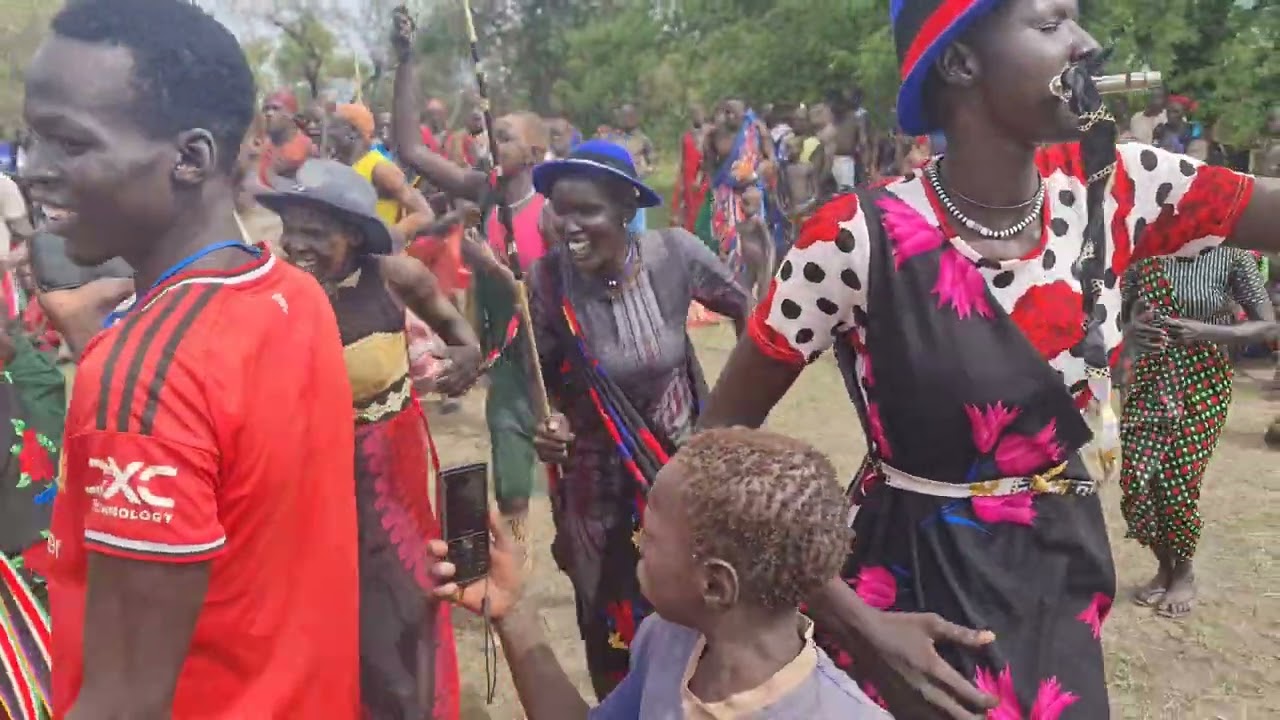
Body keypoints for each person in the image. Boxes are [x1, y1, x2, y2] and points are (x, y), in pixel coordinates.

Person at [697, 0, 1280, 717]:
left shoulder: (1117, 187)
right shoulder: (854, 240)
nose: (1087, 42)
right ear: (960, 61)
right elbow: (710, 447)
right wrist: (855, 618)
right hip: (905, 597)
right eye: (1051, 22)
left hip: (1062, 579)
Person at [22, 1, 360, 716]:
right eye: (31, 141)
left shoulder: (143, 371)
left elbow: (123, 701)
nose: (34, 172)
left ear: (191, 158)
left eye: (69, 145)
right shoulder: (292, 294)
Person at [428, 428, 890, 719]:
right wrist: (512, 612)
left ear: (714, 584)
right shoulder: (668, 642)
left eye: (648, 540)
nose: (636, 546)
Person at [520, 140, 751, 699]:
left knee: (701, 617)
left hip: (681, 482)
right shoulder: (547, 283)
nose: (568, 225)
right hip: (595, 497)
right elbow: (543, 375)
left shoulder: (674, 255)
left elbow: (749, 311)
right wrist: (552, 425)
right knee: (611, 634)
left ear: (626, 210)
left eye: (587, 211)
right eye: (560, 209)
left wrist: (735, 416)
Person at [260, 158, 482, 720]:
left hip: (385, 473)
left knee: (396, 603)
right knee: (322, 607)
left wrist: (464, 358)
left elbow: (460, 335)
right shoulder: (273, 290)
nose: (298, 244)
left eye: (316, 232)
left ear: (354, 234)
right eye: (293, 229)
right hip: (308, 472)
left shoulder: (394, 277)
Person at [392, 10, 555, 545]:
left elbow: (558, 292)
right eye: (490, 132)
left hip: (552, 357)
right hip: (506, 362)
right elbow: (411, 151)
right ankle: (519, 562)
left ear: (535, 152)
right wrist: (405, 62)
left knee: (569, 465)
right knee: (510, 479)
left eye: (504, 136)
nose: (491, 140)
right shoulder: (483, 191)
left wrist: (501, 272)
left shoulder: (553, 211)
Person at [1121, 248, 1276, 618]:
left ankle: (1184, 570)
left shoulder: (1231, 257)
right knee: (1137, 481)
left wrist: (1205, 330)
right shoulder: (1145, 255)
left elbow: (1269, 325)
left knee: (1178, 481)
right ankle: (1164, 564)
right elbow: (1117, 312)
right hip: (1150, 376)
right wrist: (1131, 330)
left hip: (1204, 378)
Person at [326, 102, 434, 243]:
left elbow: (424, 214)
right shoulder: (336, 163)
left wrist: (389, 237)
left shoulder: (380, 169)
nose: (329, 132)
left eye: (334, 127)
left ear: (352, 131)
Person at [704, 98, 777, 300]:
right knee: (728, 245)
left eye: (735, 112)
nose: (729, 117)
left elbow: (771, 160)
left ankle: (758, 291)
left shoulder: (756, 131)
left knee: (755, 242)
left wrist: (754, 173)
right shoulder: (714, 136)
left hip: (751, 193)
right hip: (726, 198)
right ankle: (731, 292)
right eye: (726, 112)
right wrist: (718, 192)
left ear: (745, 113)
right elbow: (710, 169)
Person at [608, 104, 655, 233]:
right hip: (617, 184)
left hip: (636, 185)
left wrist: (645, 171)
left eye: (628, 116)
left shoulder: (642, 139)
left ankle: (639, 246)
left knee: (637, 225)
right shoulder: (614, 139)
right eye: (623, 116)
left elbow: (653, 161)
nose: (625, 120)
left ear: (634, 118)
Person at [259, 88, 313, 184]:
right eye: (266, 109)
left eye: (276, 108)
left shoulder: (307, 148)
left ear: (291, 114)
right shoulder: (258, 146)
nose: (269, 113)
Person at [671, 104, 709, 234]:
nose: (697, 117)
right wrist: (680, 180)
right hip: (688, 176)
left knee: (702, 209)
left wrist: (699, 177)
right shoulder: (686, 136)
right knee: (687, 209)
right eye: (694, 115)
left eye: (700, 114)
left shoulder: (709, 134)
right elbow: (682, 159)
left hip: (703, 178)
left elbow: (708, 159)